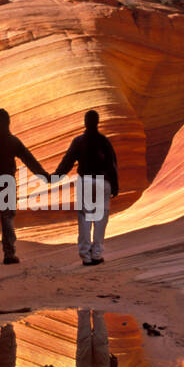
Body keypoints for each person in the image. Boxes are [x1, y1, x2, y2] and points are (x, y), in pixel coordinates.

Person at [0, 108, 50, 264]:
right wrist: (45, 176)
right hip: (6, 186)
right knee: (7, 219)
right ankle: (9, 254)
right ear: (7, 123)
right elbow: (29, 160)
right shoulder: (12, 141)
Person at [53, 110, 118, 266]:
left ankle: (86, 256)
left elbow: (67, 162)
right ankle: (96, 254)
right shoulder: (104, 141)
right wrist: (115, 185)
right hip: (103, 181)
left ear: (85, 122)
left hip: (86, 181)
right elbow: (112, 164)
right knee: (100, 219)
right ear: (97, 122)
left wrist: (55, 176)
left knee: (85, 217)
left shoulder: (79, 141)